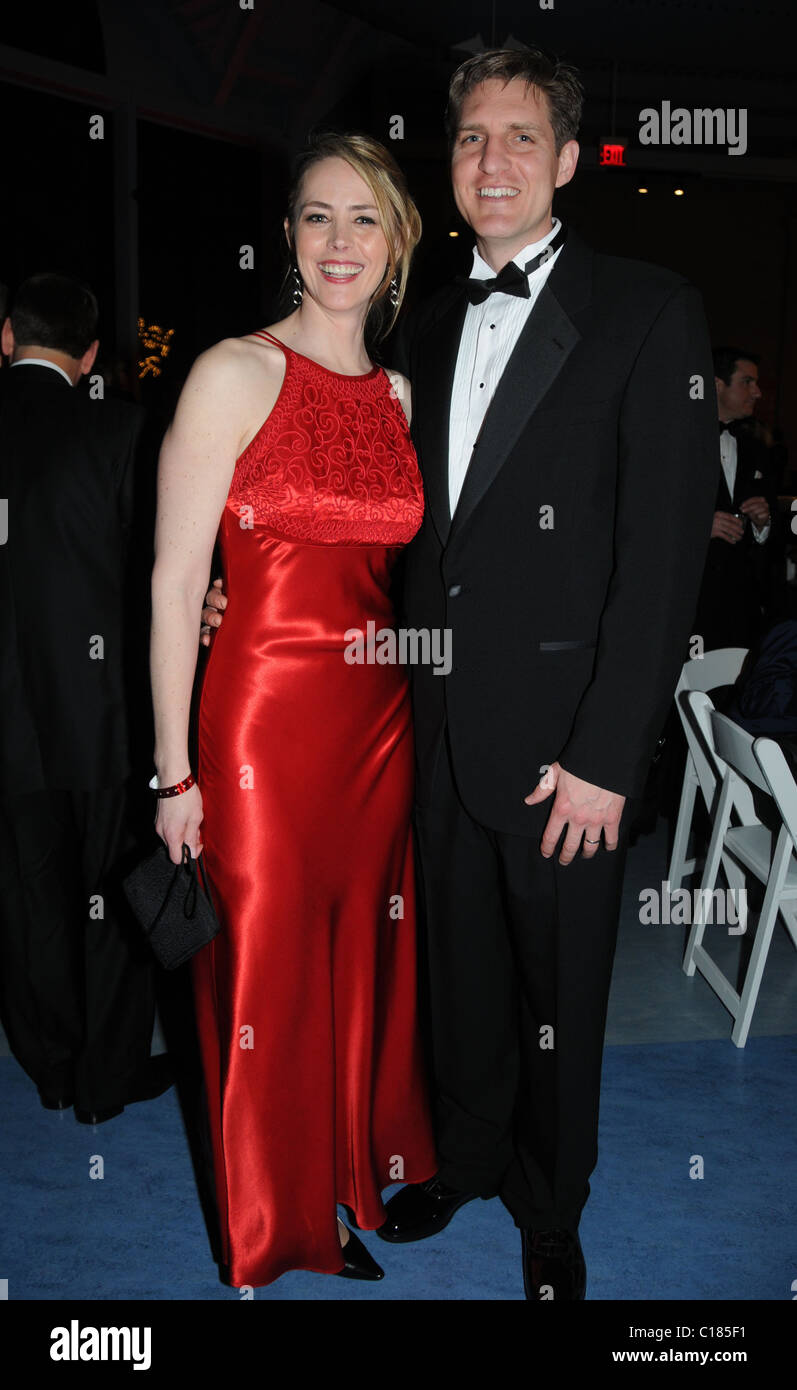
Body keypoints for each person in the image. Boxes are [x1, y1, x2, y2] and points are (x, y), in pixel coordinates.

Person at [203, 46, 719, 1300]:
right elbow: (362, 517)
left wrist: (607, 757)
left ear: (562, 158)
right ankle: (465, 1156)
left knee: (562, 992)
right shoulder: (418, 327)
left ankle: (551, 1209)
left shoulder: (649, 311)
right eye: (470, 138)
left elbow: (658, 567)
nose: (491, 160)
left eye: (517, 137)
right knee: (460, 979)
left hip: (563, 751)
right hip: (413, 727)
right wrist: (246, 583)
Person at [150, 133, 437, 1289]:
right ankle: (274, 1223)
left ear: (397, 243)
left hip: (376, 725)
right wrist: (173, 773)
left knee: (358, 950)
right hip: (258, 718)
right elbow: (174, 583)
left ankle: (349, 1175)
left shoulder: (400, 393)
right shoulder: (231, 370)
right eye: (316, 217)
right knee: (264, 965)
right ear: (286, 234)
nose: (338, 242)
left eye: (363, 219)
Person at [0, 274, 167, 1124]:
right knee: (109, 896)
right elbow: (155, 579)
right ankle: (105, 1081)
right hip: (101, 715)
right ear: (91, 354)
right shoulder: (119, 430)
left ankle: (51, 1068)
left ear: (5, 338)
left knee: (26, 897)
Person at [693, 347, 775, 650]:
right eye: (747, 382)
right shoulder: (678, 444)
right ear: (717, 385)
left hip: (740, 609)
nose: (758, 393)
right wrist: (700, 527)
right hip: (689, 605)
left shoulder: (756, 449)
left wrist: (762, 524)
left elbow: (768, 539)